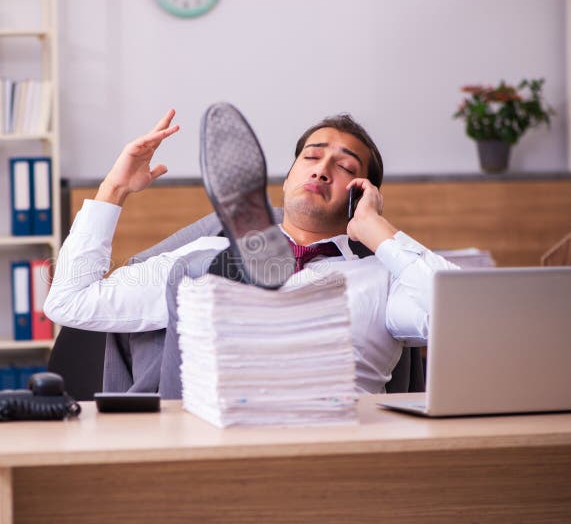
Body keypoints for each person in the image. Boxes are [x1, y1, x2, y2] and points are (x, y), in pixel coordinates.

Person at [45, 105, 458, 395]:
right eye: (311, 156)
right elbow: (71, 302)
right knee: (201, 268)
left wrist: (378, 231)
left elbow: (464, 318)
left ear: (362, 194)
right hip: (216, 452)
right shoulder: (202, 258)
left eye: (346, 167)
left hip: (337, 453)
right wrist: (112, 190)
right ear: (288, 176)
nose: (321, 168)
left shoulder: (385, 280)